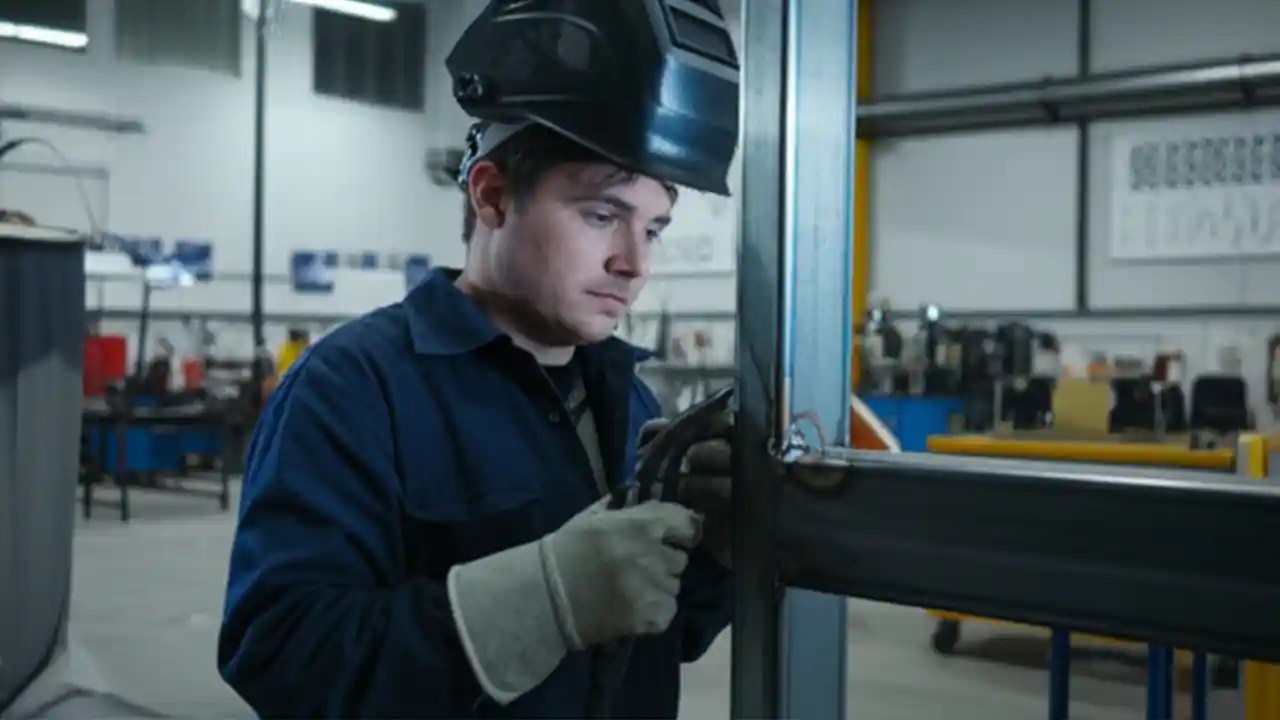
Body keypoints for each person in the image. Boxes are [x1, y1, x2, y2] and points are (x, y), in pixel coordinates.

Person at [217, 1, 740, 717]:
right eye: (601, 215)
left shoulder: (631, 403)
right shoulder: (354, 389)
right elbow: (282, 655)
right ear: (492, 195)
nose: (633, 263)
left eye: (654, 227)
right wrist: (544, 598)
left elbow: (656, 642)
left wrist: (714, 553)